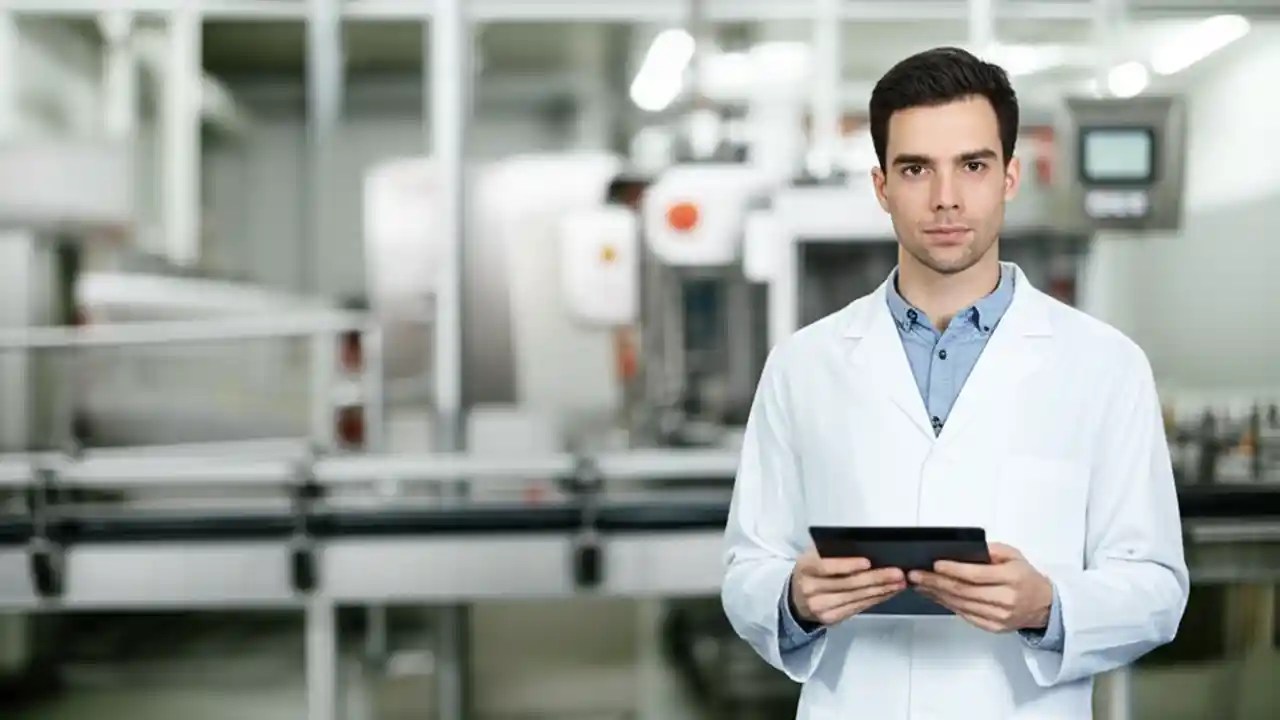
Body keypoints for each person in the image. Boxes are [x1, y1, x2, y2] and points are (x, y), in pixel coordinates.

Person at [720, 47, 1188, 718]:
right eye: (916, 169)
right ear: (881, 185)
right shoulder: (804, 364)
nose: (946, 197)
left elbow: (1156, 588)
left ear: (1010, 177)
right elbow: (747, 568)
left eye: (972, 165)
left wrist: (1048, 607)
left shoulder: (1104, 365)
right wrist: (792, 601)